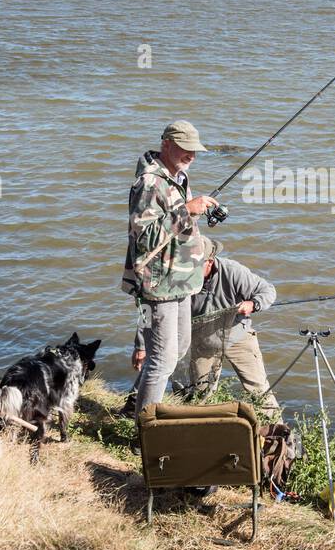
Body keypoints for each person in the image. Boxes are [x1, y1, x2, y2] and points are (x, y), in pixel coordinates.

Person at [121, 120, 218, 417]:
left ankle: (138, 409)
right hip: (158, 283)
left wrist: (193, 211)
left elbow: (173, 225)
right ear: (166, 144)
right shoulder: (149, 183)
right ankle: (145, 430)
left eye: (195, 150)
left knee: (177, 350)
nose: (191, 155)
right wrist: (187, 210)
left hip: (181, 279)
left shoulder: (178, 176)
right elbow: (144, 237)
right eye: (185, 149)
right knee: (161, 360)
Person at [133, 238, 282, 422]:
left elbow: (268, 290)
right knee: (200, 395)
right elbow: (149, 311)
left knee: (259, 389)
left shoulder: (233, 271)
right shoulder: (176, 278)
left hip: (238, 335)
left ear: (209, 262)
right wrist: (141, 346)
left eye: (194, 266)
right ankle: (205, 430)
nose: (188, 271)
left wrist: (253, 303)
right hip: (202, 342)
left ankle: (279, 432)